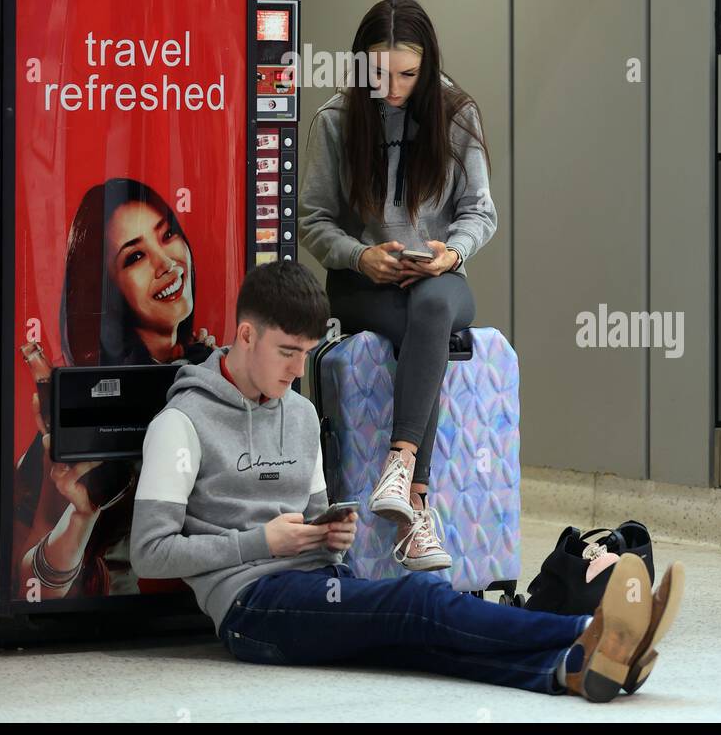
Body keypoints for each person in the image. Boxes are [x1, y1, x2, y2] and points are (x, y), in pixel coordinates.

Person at [129, 260, 684, 700]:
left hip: (318, 583)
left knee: (419, 639)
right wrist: (261, 542)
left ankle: (568, 670)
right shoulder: (182, 423)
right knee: (419, 601)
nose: (298, 370)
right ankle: (592, 630)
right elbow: (150, 554)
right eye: (287, 352)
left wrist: (331, 535)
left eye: (306, 353)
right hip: (251, 608)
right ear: (245, 336)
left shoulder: (297, 413)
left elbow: (319, 514)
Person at [297, 0, 496, 571]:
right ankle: (416, 504)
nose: (394, 88)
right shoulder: (336, 120)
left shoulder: (457, 114)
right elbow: (315, 221)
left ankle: (401, 469)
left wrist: (449, 252)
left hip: (438, 278)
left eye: (408, 75)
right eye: (380, 75)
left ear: (428, 69)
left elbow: (481, 212)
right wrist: (362, 257)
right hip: (366, 284)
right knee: (418, 325)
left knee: (431, 309)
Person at [13, 178, 215, 600]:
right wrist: (82, 514)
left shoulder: (210, 368)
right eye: (136, 256)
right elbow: (29, 588)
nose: (167, 263)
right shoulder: (92, 406)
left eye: (168, 234)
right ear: (105, 288)